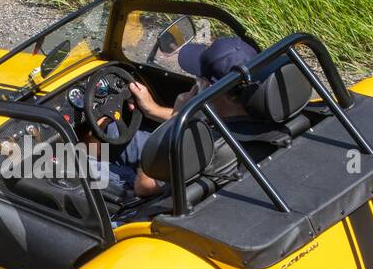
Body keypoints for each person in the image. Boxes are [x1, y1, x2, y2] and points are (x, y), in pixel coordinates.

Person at [96, 36, 260, 199]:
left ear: (211, 88)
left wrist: (177, 119)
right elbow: (208, 121)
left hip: (149, 188)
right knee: (110, 131)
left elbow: (143, 186)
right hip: (183, 160)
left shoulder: (208, 148)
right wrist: (153, 110)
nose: (195, 83)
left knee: (76, 164)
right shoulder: (259, 107)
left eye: (199, 79)